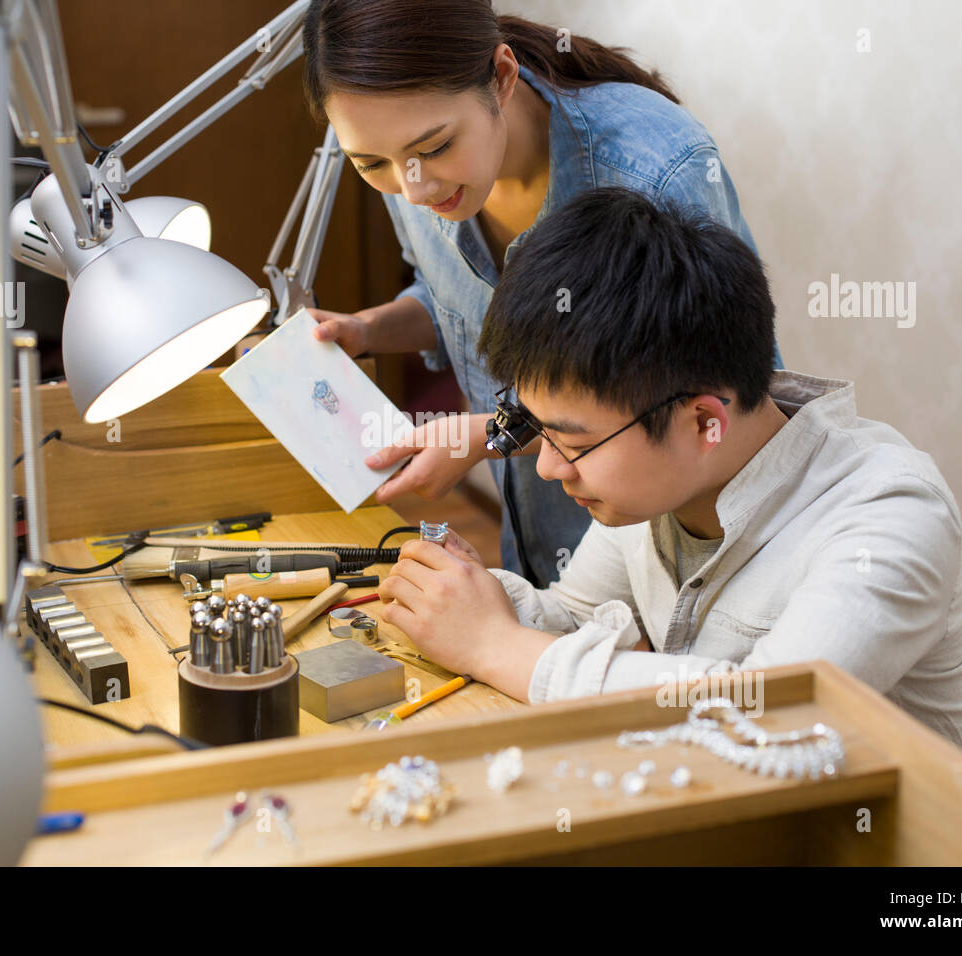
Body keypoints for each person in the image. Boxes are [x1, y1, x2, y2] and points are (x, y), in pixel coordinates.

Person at [376, 186, 962, 813]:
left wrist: (494, 644)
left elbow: (765, 717)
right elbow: (573, 620)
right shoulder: (657, 486)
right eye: (531, 426)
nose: (544, 466)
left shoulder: (890, 513)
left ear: (705, 421)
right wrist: (471, 595)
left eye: (569, 441)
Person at [301, 0, 782, 586]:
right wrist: (371, 330)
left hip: (687, 551)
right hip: (543, 545)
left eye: (433, 148)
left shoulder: (653, 171)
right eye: (371, 162)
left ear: (501, 78)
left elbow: (694, 389)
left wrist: (485, 437)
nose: (413, 187)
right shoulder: (410, 167)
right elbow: (459, 300)